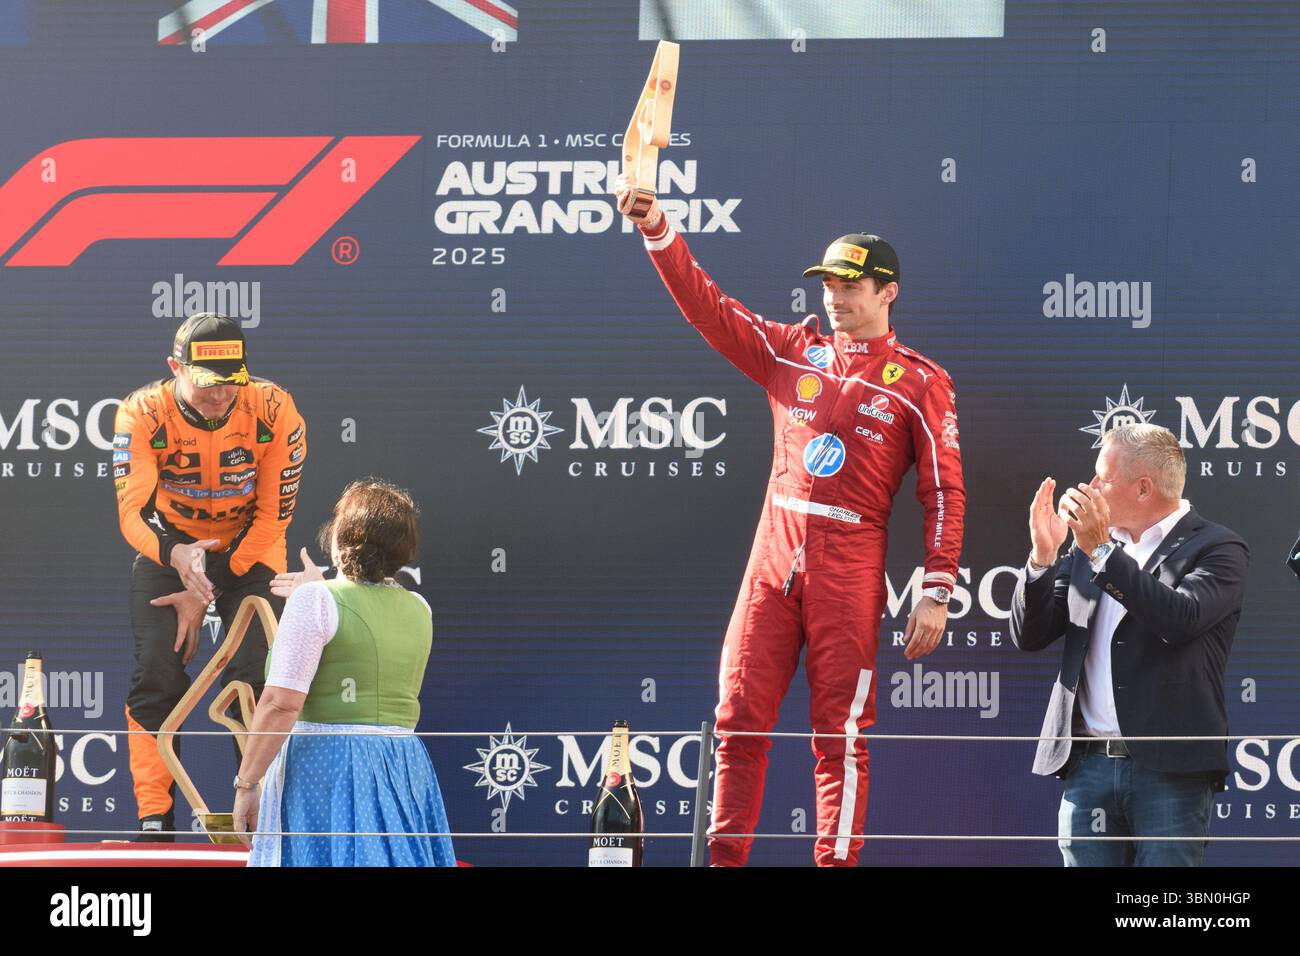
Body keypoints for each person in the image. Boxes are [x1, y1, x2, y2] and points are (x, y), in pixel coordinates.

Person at [614, 176, 966, 866]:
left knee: (839, 732)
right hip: (773, 553)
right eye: (829, 284)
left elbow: (945, 493)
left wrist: (937, 587)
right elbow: (707, 307)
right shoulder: (790, 350)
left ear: (888, 291)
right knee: (737, 720)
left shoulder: (922, 381)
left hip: (852, 557)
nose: (836, 298)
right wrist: (658, 228)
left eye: (852, 286)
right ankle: (723, 861)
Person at [1011, 423, 1248, 866]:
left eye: (1103, 476)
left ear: (1143, 488)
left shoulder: (1217, 547)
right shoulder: (1085, 550)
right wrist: (1042, 557)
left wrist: (1102, 551)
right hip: (1088, 766)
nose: (1090, 486)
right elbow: (1031, 634)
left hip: (1170, 771)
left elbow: (1180, 619)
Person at [113, 312, 306, 840]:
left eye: (232, 382)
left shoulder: (273, 407)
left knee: (252, 679)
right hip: (168, 550)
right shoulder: (142, 412)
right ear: (175, 366)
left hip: (252, 552)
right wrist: (180, 561)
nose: (222, 396)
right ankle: (154, 821)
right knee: (156, 674)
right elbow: (134, 513)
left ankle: (257, 818)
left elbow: (274, 518)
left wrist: (208, 587)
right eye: (208, 384)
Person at [232, 479, 456, 867]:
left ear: (344, 535)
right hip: (403, 763)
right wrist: (319, 591)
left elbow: (280, 703)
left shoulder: (316, 599)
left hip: (329, 764)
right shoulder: (419, 606)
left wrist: (246, 784)